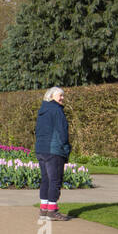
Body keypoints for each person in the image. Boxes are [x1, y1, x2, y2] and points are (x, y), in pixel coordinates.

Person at [34, 87, 72, 220]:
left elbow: (37, 131)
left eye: (63, 96)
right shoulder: (57, 111)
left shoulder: (42, 111)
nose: (62, 98)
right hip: (53, 150)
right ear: (51, 97)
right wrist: (66, 149)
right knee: (55, 180)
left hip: (41, 149)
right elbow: (63, 133)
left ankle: (43, 209)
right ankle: (52, 211)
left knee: (45, 179)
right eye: (60, 95)